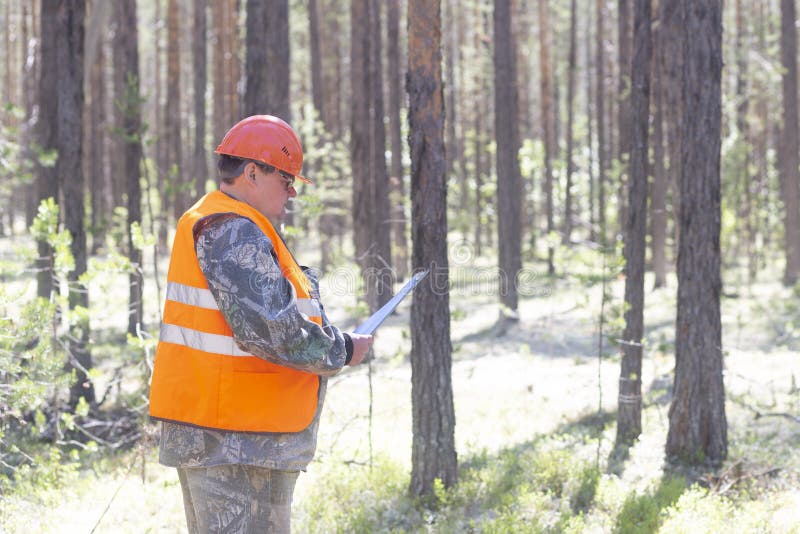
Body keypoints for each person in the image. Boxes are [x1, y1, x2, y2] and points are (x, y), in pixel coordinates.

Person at [148, 114, 373, 533]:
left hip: (236, 433)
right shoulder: (231, 229)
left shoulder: (228, 223)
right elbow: (272, 330)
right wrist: (342, 350)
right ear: (252, 172)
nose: (291, 192)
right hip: (233, 440)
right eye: (285, 179)